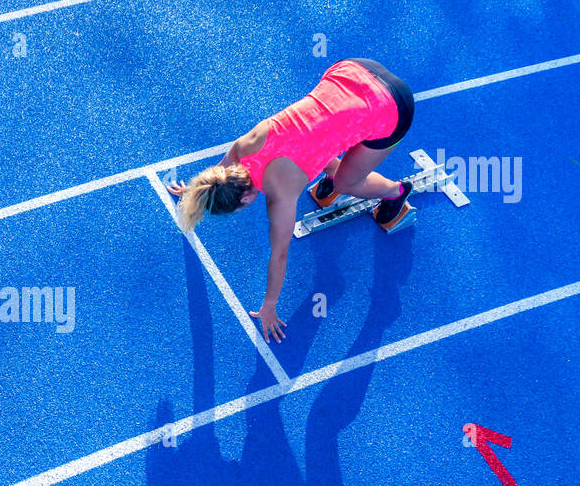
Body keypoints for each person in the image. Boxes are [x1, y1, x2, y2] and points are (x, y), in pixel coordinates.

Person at [167, 58, 415, 343]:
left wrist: (269, 305)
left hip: (393, 107)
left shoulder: (281, 198)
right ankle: (334, 170)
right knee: (307, 138)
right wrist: (195, 191)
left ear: (246, 197)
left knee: (346, 183)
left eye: (240, 207)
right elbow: (221, 169)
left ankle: (395, 193)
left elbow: (280, 256)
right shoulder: (246, 144)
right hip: (351, 70)